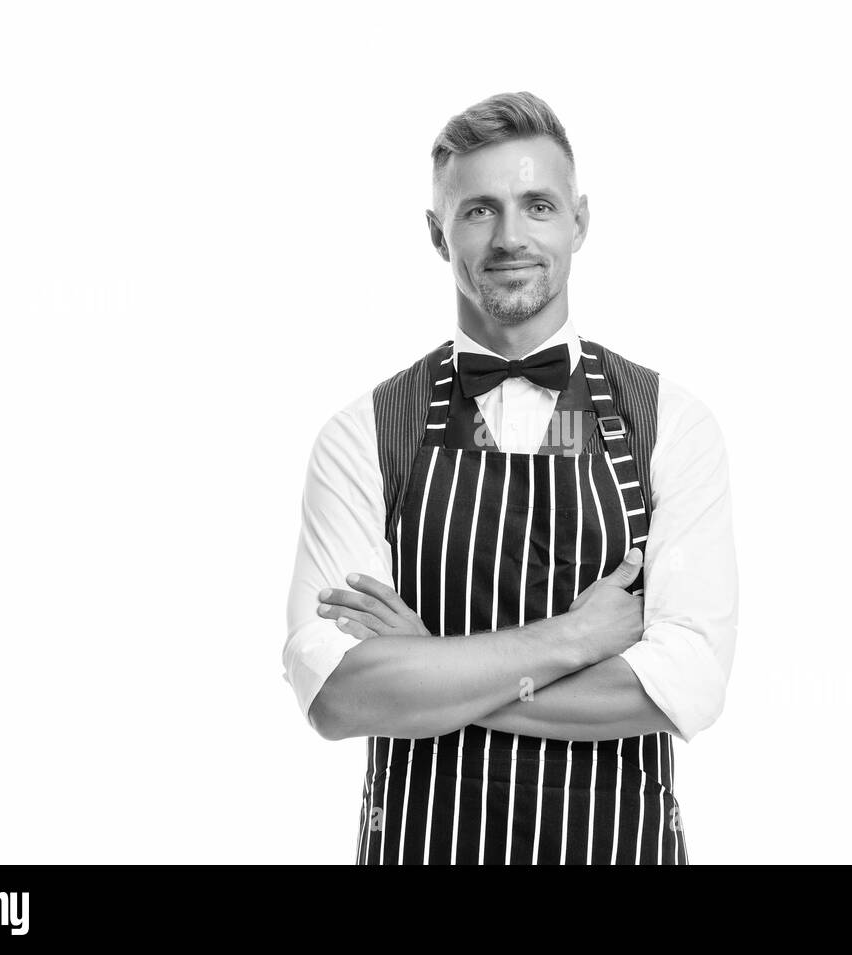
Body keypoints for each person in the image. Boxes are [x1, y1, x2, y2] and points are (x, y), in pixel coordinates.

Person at [282, 91, 738, 865]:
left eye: (537, 205)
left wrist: (430, 665)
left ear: (580, 222)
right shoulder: (363, 435)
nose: (512, 236)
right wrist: (574, 640)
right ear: (437, 232)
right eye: (479, 211)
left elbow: (683, 686)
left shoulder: (670, 424)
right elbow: (338, 693)